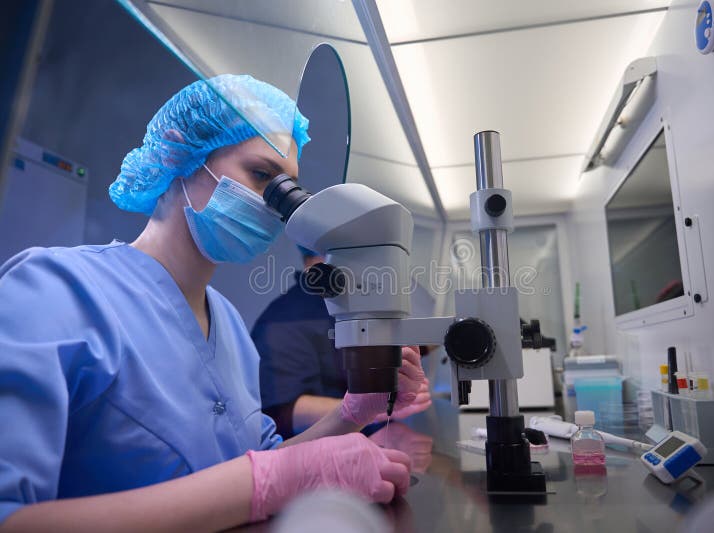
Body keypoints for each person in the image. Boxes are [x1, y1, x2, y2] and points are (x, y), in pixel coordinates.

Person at [0, 74, 426, 531]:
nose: (275, 206)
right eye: (262, 176)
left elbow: (261, 467)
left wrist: (352, 412)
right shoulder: (53, 291)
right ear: (182, 156)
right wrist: (270, 481)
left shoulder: (227, 323)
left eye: (289, 189)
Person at [253, 247, 432, 437]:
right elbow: (282, 411)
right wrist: (374, 408)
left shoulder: (350, 307)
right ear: (312, 264)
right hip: (319, 452)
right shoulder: (283, 320)